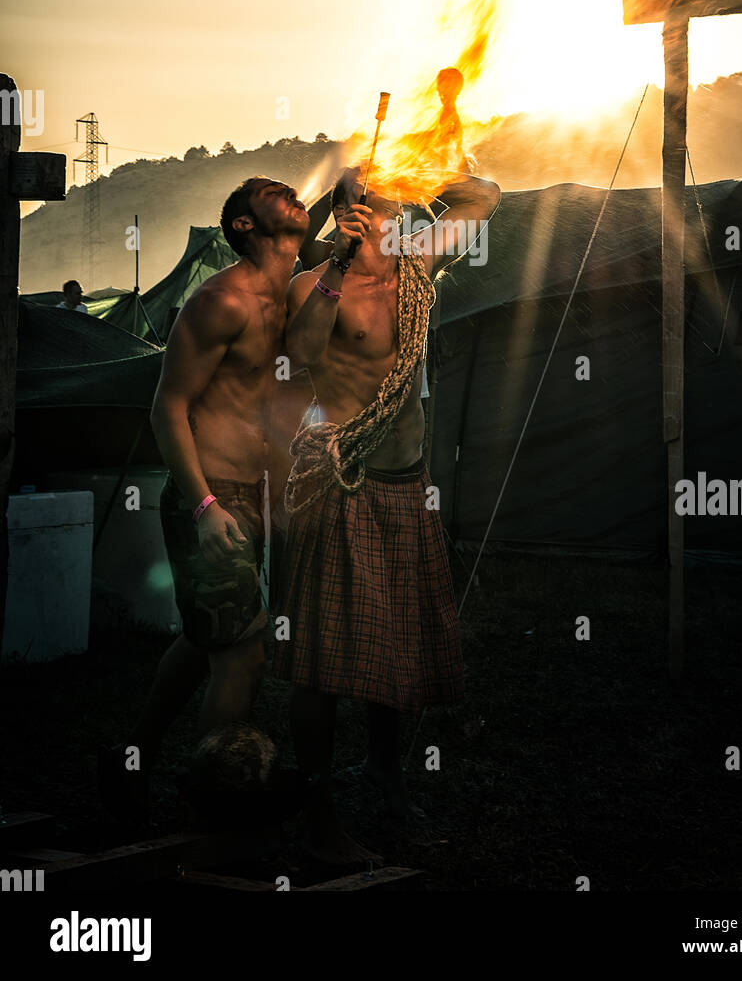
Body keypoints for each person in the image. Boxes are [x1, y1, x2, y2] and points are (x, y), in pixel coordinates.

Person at [275, 165, 500, 863]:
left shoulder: (417, 267)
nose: (390, 209)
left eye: (396, 199)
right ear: (347, 213)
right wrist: (332, 250)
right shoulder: (312, 287)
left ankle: (384, 769)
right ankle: (313, 800)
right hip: (343, 482)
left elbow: (484, 197)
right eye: (373, 198)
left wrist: (420, 158)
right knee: (322, 656)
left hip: (406, 482)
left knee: (396, 640)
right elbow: (300, 354)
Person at [98, 177, 328, 824]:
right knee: (243, 652)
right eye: (270, 194)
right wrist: (203, 508)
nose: (289, 195)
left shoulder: (288, 290)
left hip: (255, 494)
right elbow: (166, 405)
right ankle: (221, 813)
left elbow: (330, 248)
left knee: (206, 639)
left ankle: (130, 758)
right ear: (244, 226)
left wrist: (347, 190)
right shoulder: (220, 301)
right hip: (211, 497)